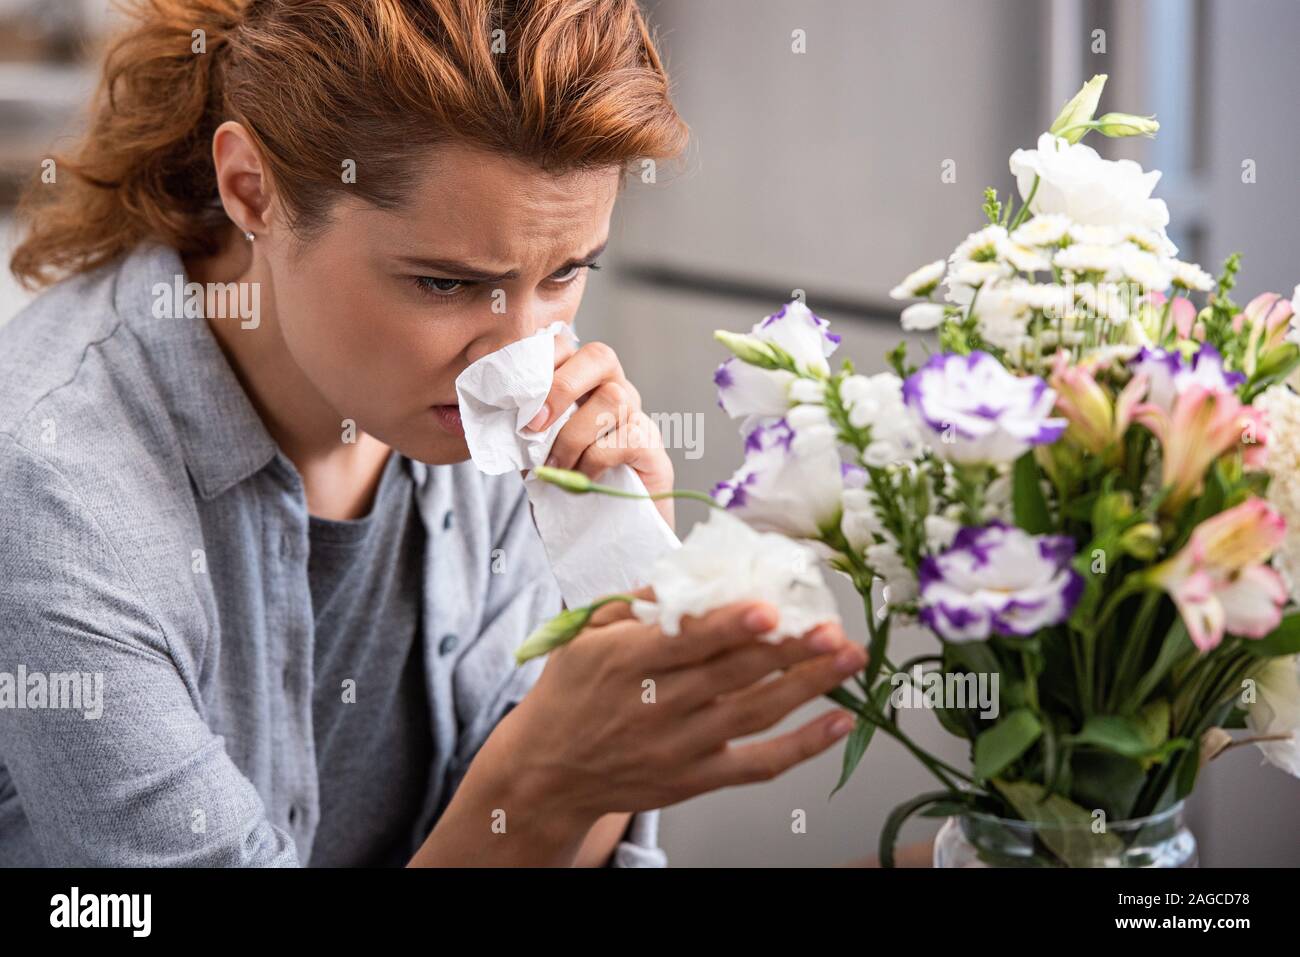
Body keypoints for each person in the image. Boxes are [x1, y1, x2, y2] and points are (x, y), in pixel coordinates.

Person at [0, 0, 864, 867]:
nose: (521, 359)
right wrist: (542, 781)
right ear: (253, 191)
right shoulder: (52, 493)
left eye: (567, 272)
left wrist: (621, 597)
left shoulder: (503, 424)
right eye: (446, 285)